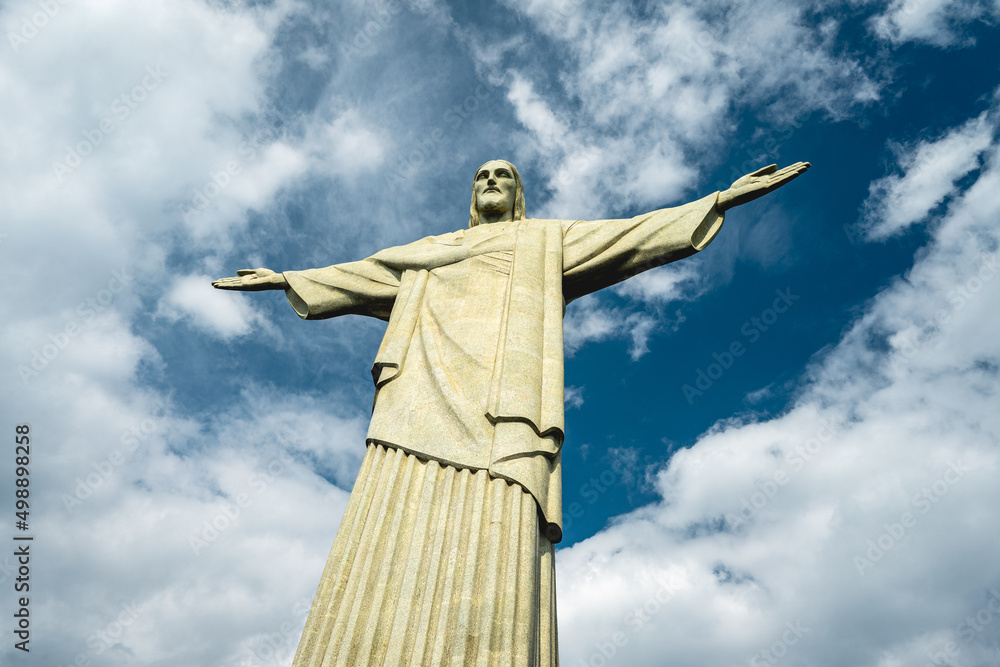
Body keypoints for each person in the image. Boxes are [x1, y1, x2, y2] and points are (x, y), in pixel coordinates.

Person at [213, 159, 809, 666]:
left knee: (497, 520)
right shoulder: (429, 251)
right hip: (417, 398)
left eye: (503, 174)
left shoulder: (545, 241)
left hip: (505, 409)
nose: (492, 180)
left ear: (517, 194)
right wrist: (285, 278)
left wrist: (719, 200)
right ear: (473, 194)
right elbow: (363, 274)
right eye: (482, 175)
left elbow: (631, 237)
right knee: (391, 511)